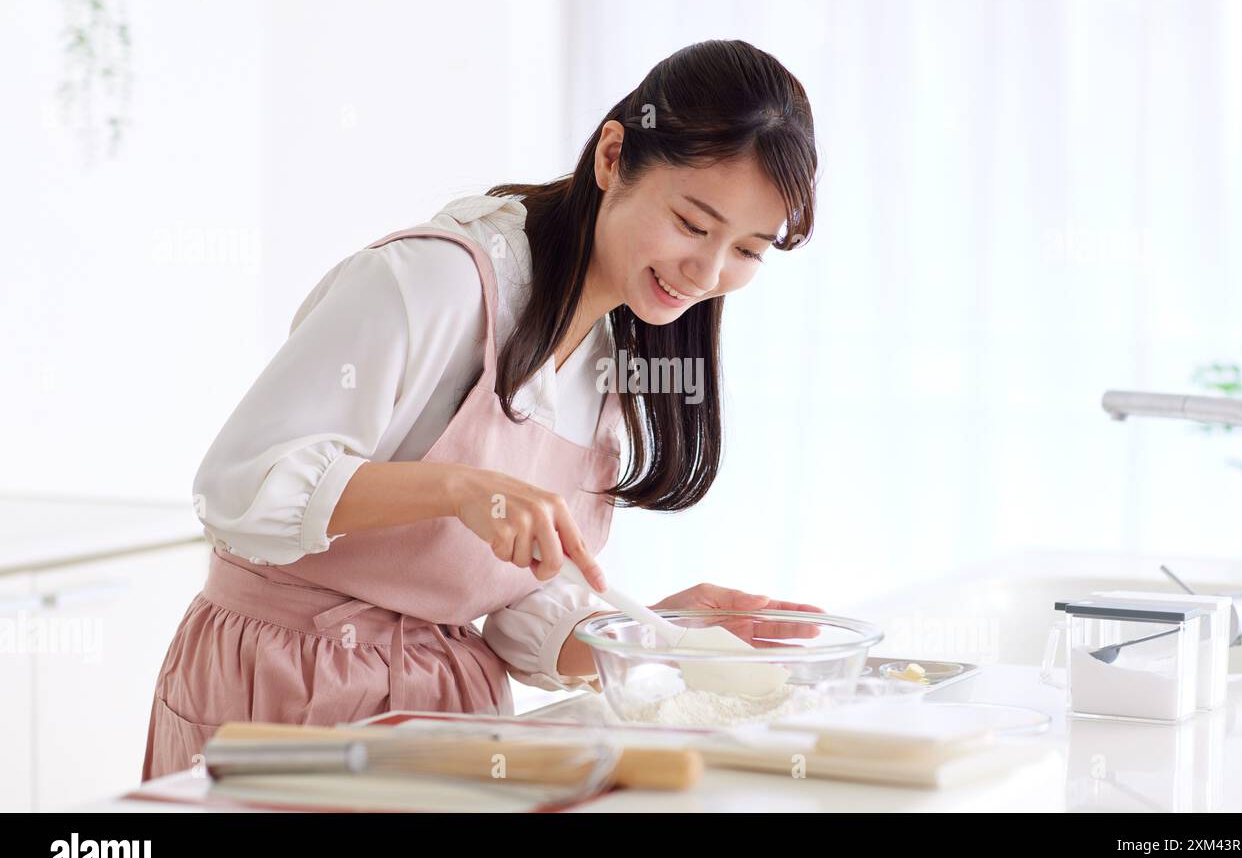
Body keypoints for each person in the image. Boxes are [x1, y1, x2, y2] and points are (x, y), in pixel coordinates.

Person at [141, 38, 822, 781]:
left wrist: (652, 639)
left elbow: (513, 607)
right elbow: (240, 485)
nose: (709, 271)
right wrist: (458, 489)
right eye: (694, 223)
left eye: (749, 251)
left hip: (447, 719)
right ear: (612, 157)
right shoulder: (435, 282)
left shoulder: (612, 357)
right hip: (282, 687)